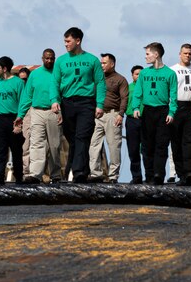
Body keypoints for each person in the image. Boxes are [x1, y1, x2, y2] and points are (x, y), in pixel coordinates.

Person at [51, 27, 105, 183]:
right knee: (73, 139)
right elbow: (55, 82)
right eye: (64, 41)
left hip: (86, 102)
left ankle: (79, 172)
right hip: (67, 102)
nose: (65, 44)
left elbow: (100, 83)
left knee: (82, 136)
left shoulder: (92, 60)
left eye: (68, 41)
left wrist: (99, 104)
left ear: (78, 41)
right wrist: (54, 100)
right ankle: (81, 168)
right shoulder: (61, 61)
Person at [130, 43, 178, 185]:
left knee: (161, 145)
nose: (146, 57)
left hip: (162, 111)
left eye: (148, 54)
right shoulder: (144, 73)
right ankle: (149, 174)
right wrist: (135, 107)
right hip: (147, 111)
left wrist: (171, 112)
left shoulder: (170, 73)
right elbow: (138, 92)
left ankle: (158, 174)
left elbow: (174, 96)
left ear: (156, 55)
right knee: (147, 145)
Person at [17, 49, 62, 184]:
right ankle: (35, 174)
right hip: (36, 111)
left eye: (52, 58)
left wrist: (62, 112)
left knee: (54, 145)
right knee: (36, 143)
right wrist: (21, 115)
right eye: (47, 58)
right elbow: (27, 96)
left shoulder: (59, 73)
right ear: (42, 58)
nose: (49, 61)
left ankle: (55, 174)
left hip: (53, 111)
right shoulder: (35, 74)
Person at [88, 53, 129, 183]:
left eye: (104, 63)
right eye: (101, 63)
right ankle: (95, 173)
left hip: (113, 115)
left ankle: (113, 176)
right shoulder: (97, 78)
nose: (102, 65)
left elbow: (124, 98)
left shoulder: (120, 79)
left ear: (112, 64)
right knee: (94, 144)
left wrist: (121, 114)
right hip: (97, 115)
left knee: (114, 146)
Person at [165, 44, 191, 186]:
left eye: (190, 54)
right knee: (176, 142)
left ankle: (189, 173)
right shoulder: (172, 70)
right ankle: (180, 174)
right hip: (176, 107)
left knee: (190, 142)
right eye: (185, 53)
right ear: (180, 54)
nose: (188, 55)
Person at [0, 56, 25, 186]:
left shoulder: (18, 82)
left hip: (13, 118)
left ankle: (19, 177)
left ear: (5, 69)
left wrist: (19, 121)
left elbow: (22, 102)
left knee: (16, 150)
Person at [124, 65, 145, 183]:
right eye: (136, 74)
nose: (139, 76)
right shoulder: (128, 88)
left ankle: (150, 175)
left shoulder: (147, 87)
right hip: (132, 119)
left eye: (141, 74)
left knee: (146, 149)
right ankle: (136, 176)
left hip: (145, 119)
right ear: (132, 75)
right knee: (133, 149)